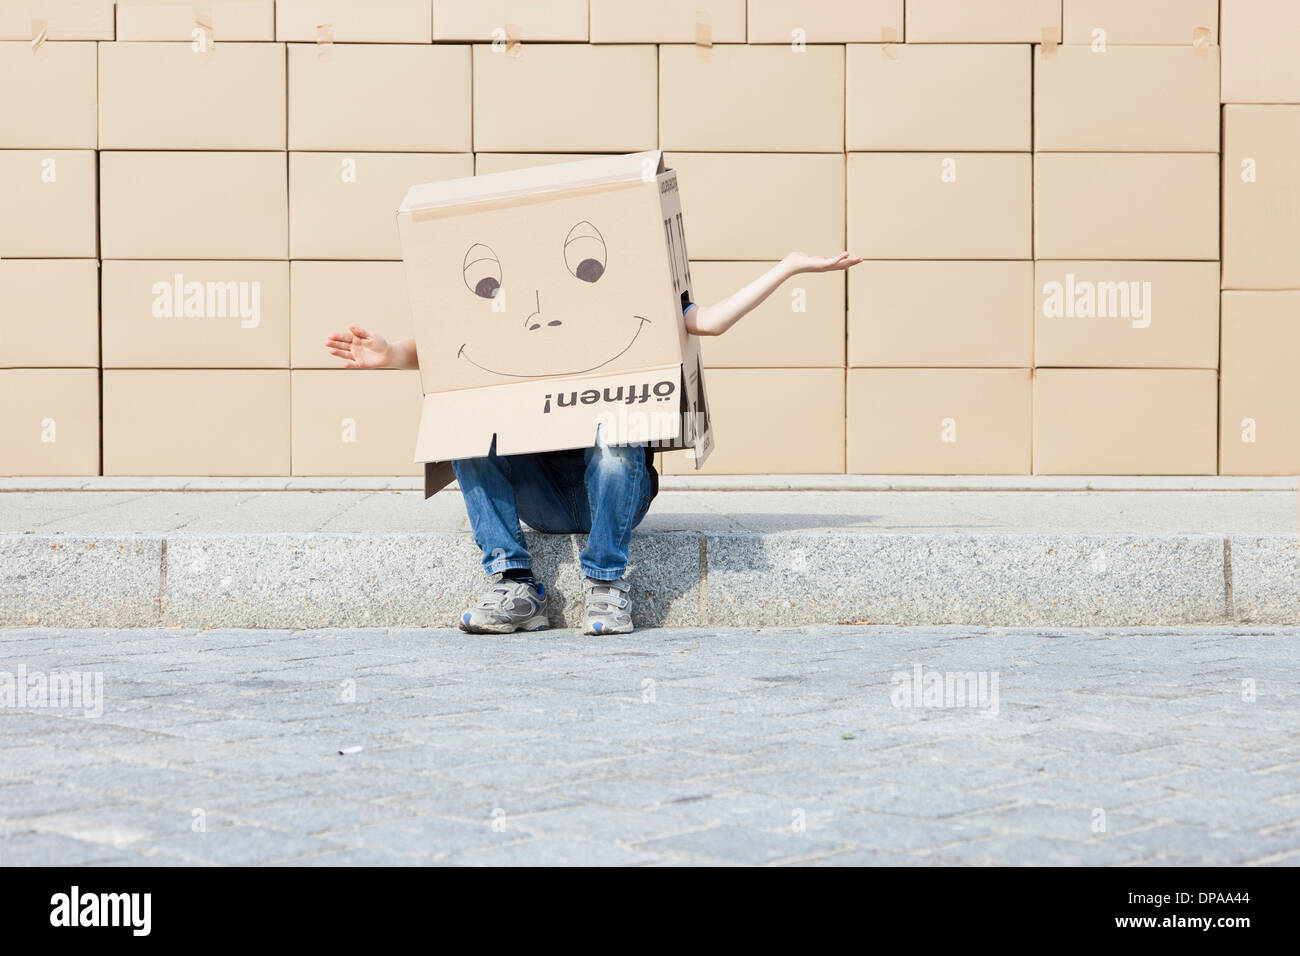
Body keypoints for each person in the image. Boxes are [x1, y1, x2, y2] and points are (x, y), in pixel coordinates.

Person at [327, 251, 862, 636]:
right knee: (464, 422)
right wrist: (392, 352)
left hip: (613, 484)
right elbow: (458, 348)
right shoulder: (521, 312)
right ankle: (516, 586)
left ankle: (606, 582)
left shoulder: (635, 306)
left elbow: (713, 321)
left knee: (617, 432)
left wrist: (790, 266)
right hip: (541, 494)